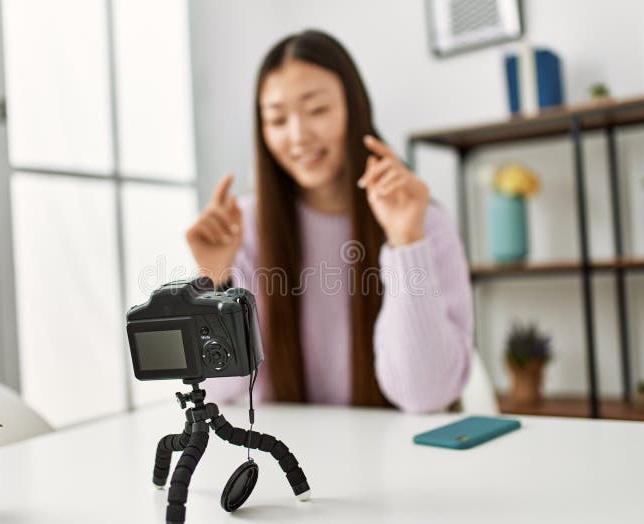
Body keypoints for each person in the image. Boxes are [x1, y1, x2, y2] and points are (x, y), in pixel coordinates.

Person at [185, 29, 472, 412]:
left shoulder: (424, 222)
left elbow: (426, 395)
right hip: (286, 460)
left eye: (317, 110)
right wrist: (213, 280)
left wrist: (406, 241)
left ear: (355, 110)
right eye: (277, 119)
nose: (299, 137)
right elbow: (217, 391)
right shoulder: (246, 226)